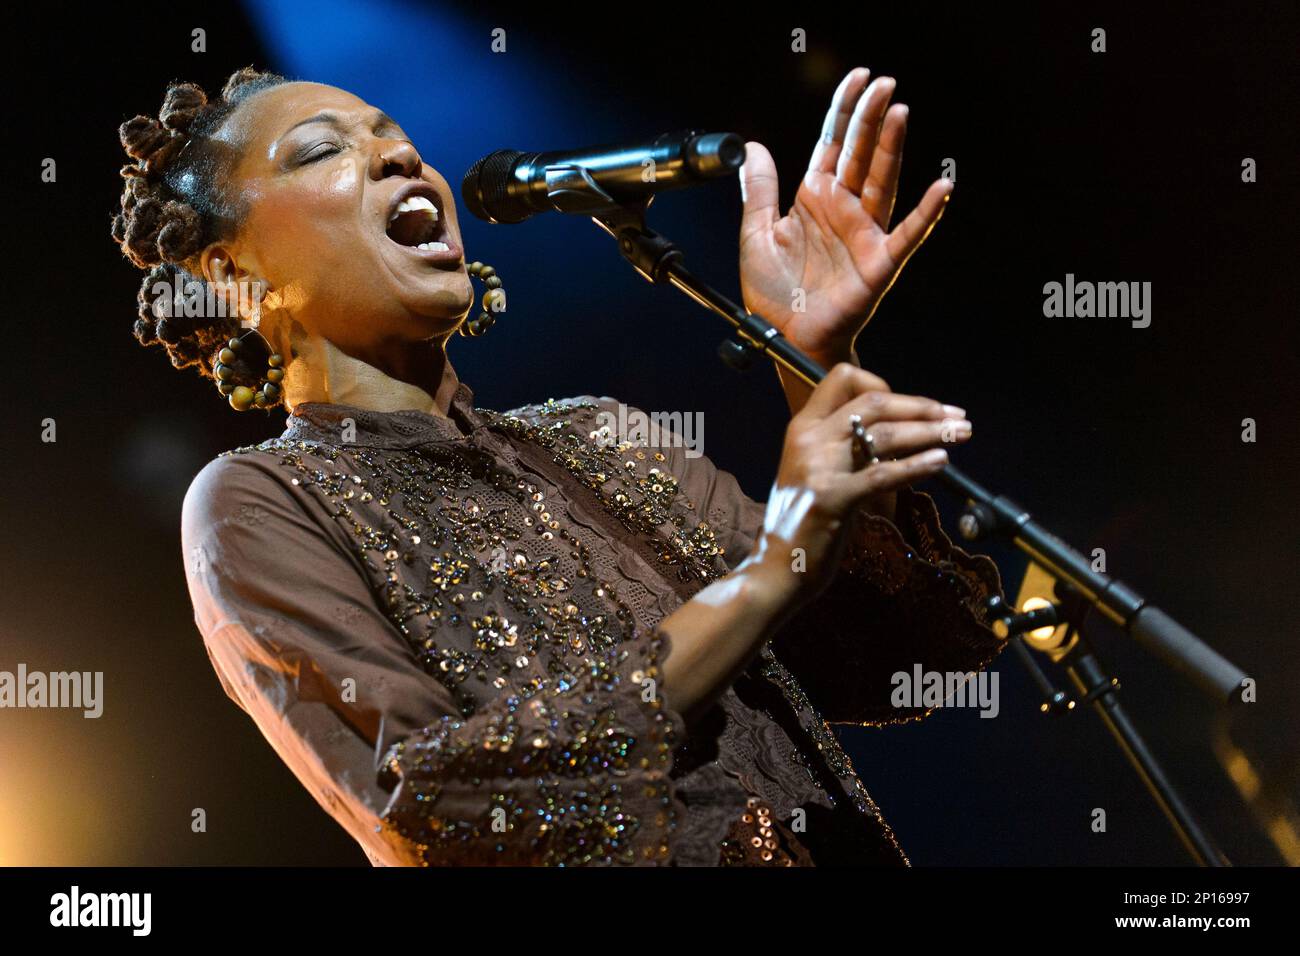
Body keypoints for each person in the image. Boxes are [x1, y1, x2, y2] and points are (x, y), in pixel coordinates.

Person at [112, 65, 1005, 866]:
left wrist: (807, 360)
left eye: (401, 140)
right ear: (232, 274)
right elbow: (446, 810)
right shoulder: (258, 502)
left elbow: (889, 658)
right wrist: (772, 567)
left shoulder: (599, 435)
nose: (401, 161)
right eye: (320, 152)